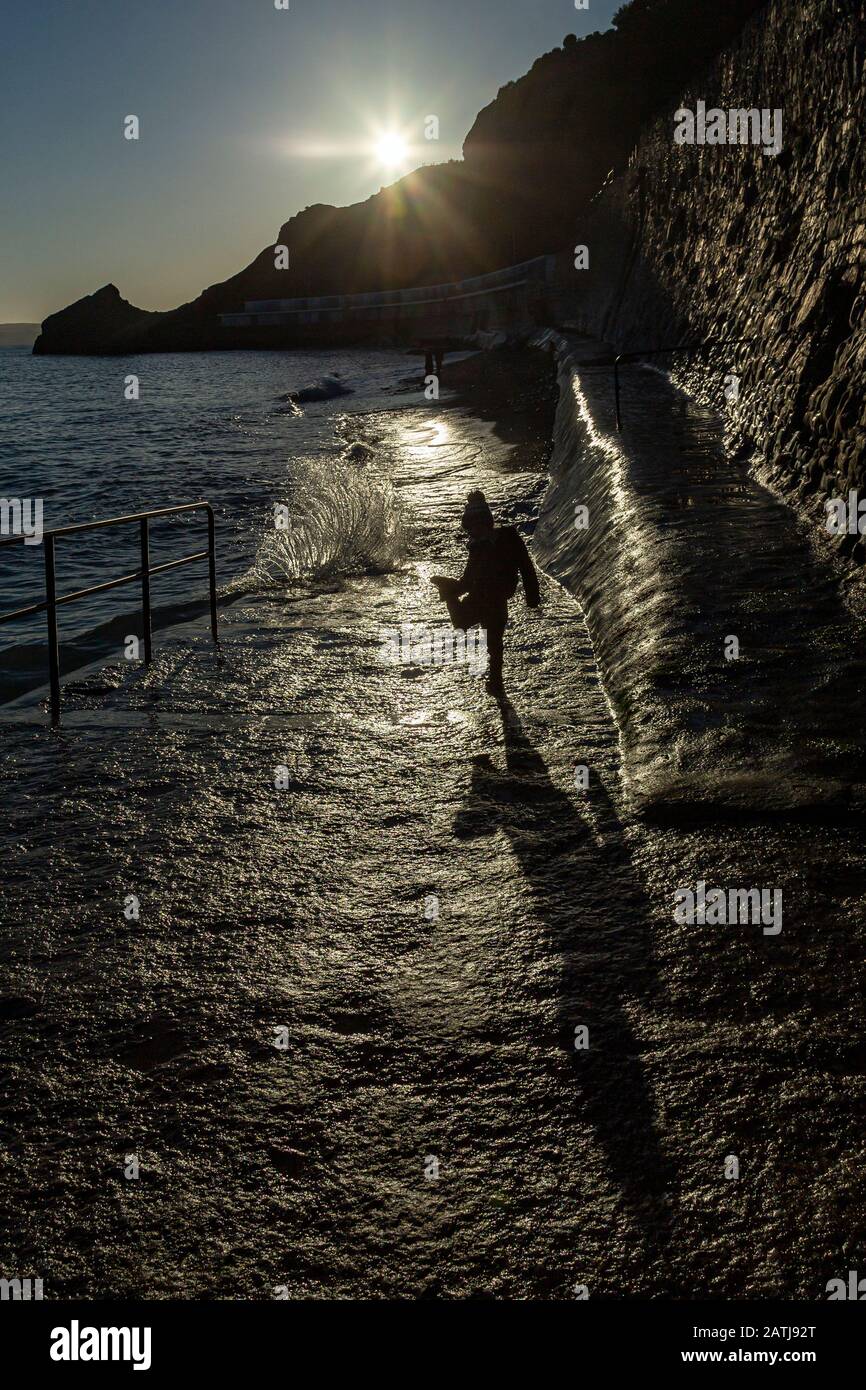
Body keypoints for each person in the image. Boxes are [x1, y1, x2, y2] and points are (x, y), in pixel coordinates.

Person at [431, 489, 540, 698]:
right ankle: (496, 683)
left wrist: (532, 595)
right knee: (479, 633)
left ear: (485, 523)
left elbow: (526, 567)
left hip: (495, 597)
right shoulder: (480, 546)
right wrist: (453, 590)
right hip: (483, 596)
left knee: (492, 640)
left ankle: (496, 683)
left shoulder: (508, 538)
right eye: (469, 529)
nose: (471, 533)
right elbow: (468, 581)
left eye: (474, 528)